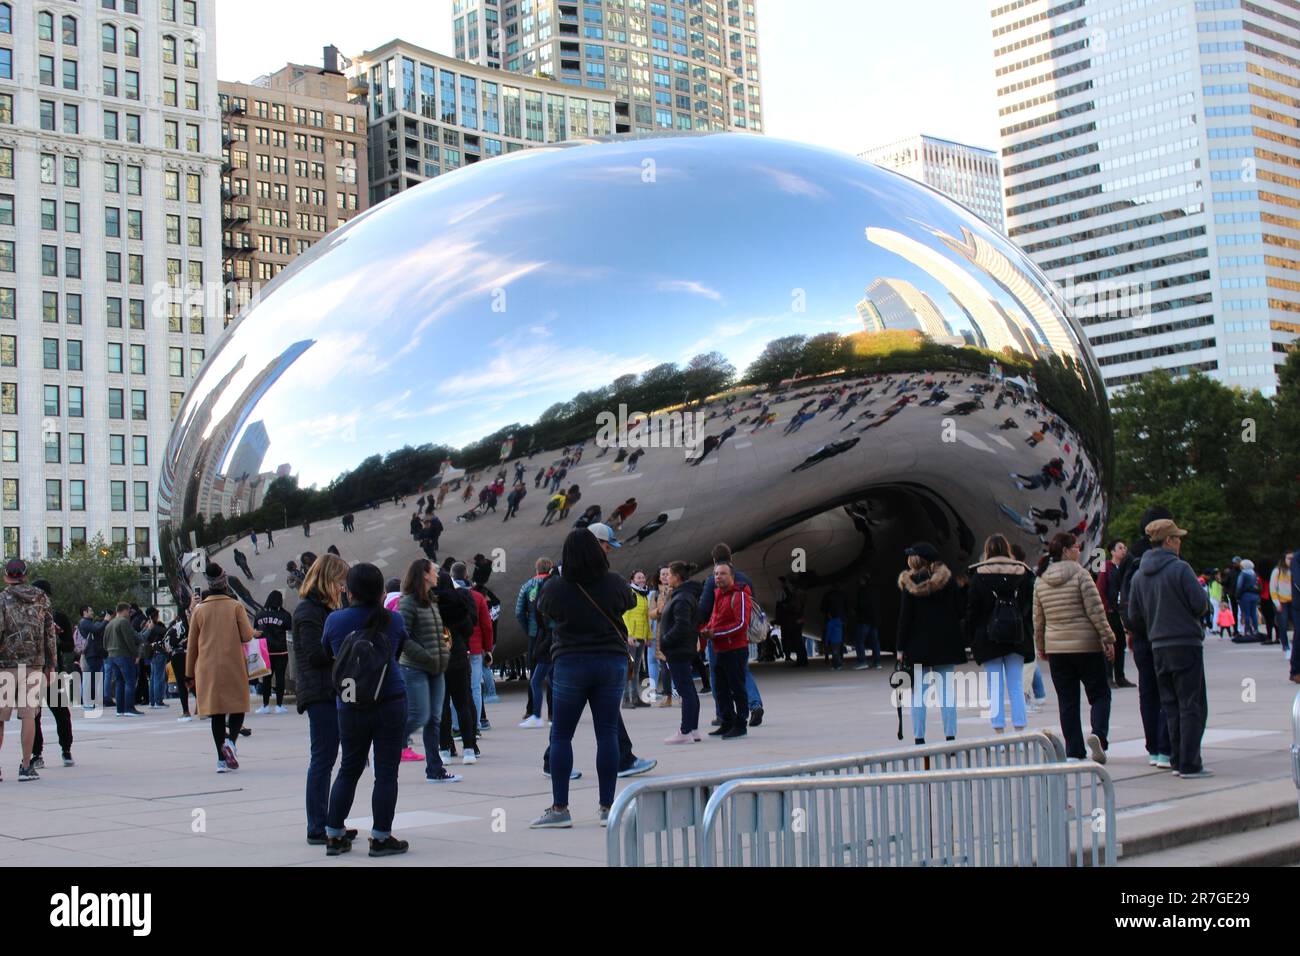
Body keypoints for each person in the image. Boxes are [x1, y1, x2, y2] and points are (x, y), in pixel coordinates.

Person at [530, 529, 635, 828]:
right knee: (607, 733)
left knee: (562, 735)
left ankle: (560, 808)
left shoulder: (556, 587)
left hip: (570, 662)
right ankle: (607, 807)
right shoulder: (614, 582)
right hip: (610, 662)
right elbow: (628, 602)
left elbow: (542, 610)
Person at [321, 563, 410, 857]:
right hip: (389, 700)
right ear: (381, 590)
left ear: (349, 590)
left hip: (349, 701)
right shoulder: (393, 621)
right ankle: (381, 837)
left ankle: (334, 835)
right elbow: (396, 654)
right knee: (386, 772)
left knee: (348, 767)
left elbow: (327, 655)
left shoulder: (334, 621)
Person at [1125, 519, 1213, 778]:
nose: (1180, 541)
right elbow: (1200, 604)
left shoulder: (1140, 574)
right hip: (1185, 643)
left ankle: (1176, 759)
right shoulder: (1180, 569)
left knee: (1171, 705)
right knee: (1192, 704)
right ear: (1169, 541)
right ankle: (1190, 762)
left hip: (1158, 646)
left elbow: (1134, 615)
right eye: (1177, 537)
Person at [1033, 533, 1113, 764]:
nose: (1079, 550)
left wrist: (1041, 646)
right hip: (1086, 645)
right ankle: (1098, 734)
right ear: (1067, 551)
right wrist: (1108, 637)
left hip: (1057, 647)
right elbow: (1096, 611)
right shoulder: (1081, 574)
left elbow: (1038, 619)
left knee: (1067, 701)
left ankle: (1074, 751)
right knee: (1100, 694)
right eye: (1076, 547)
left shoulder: (1041, 579)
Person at [293, 552, 355, 846]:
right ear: (327, 579)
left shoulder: (325, 609)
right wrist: (344, 644)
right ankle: (317, 826)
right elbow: (313, 655)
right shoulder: (308, 611)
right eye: (340, 580)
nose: (343, 587)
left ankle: (331, 822)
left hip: (329, 690)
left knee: (328, 758)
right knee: (322, 759)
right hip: (320, 692)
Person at [1116, 506, 1174, 769]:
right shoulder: (1167, 557)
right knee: (1168, 691)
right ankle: (1166, 746)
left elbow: (1122, 595)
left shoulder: (1130, 557)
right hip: (1163, 632)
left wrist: (1130, 628)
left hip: (1139, 634)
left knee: (1147, 691)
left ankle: (1153, 747)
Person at [397, 558, 461, 783]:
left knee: (434, 719)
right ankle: (386, 745)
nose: (437, 574)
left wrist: (443, 650)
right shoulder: (408, 602)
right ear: (424, 575)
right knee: (419, 715)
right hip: (415, 667)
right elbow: (401, 636)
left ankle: (435, 769)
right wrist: (426, 655)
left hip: (436, 667)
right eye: (434, 571)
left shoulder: (431, 600)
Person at [896, 542, 966, 745]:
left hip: (918, 648)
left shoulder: (909, 585)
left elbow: (905, 619)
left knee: (919, 695)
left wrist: (900, 647)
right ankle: (950, 737)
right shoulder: (948, 581)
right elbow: (960, 611)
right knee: (947, 695)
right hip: (946, 645)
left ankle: (919, 738)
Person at [187, 564, 255, 772]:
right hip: (232, 663)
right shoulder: (235, 606)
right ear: (225, 583)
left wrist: (189, 673)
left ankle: (220, 760)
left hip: (208, 667)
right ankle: (231, 743)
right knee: (238, 706)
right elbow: (247, 635)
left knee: (216, 714)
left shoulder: (199, 610)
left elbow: (192, 645)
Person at [965, 535, 1034, 736]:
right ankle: (1020, 729)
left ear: (987, 551)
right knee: (1016, 684)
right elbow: (1028, 605)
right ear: (1007, 549)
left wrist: (971, 635)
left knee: (994, 686)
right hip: (1016, 634)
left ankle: (998, 731)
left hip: (988, 636)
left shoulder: (978, 575)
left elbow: (972, 609)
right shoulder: (1023, 573)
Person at [0, 560, 58, 780]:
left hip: (5, 665)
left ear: (7, 575)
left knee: (0, 718)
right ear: (25, 575)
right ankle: (26, 765)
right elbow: (49, 633)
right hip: (34, 665)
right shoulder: (41, 597)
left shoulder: (2, 599)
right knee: (28, 717)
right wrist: (50, 664)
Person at [698, 543, 764, 726]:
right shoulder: (745, 579)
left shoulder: (713, 580)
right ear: (731, 558)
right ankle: (755, 704)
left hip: (720, 634)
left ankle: (723, 713)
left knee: (717, 674)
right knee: (742, 671)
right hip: (740, 634)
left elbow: (704, 610)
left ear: (714, 560)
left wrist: (703, 628)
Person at [702, 561, 752, 739]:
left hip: (735, 649)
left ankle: (741, 723)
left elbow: (741, 624)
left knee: (737, 687)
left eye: (722, 573)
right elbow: (714, 619)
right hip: (719, 649)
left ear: (732, 576)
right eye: (716, 574)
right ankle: (727, 721)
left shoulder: (740, 596)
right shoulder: (718, 595)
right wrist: (707, 629)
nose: (718, 577)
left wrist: (716, 633)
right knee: (721, 688)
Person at [659, 561, 702, 743]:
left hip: (678, 650)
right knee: (689, 689)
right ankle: (692, 729)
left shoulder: (682, 597)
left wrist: (665, 640)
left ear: (676, 577)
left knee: (685, 690)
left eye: (668, 574)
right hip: (681, 649)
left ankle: (685, 731)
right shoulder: (682, 595)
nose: (666, 578)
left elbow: (682, 625)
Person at [516, 558, 554, 727]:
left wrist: (528, 629)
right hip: (553, 633)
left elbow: (519, 612)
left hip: (535, 634)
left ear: (536, 569)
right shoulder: (554, 586)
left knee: (535, 674)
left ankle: (533, 711)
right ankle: (553, 713)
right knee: (553, 674)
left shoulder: (527, 585)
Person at [1095, 540, 1135, 688]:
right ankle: (1108, 676)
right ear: (1112, 551)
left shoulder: (1125, 568)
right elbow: (1100, 589)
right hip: (1110, 611)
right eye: (1120, 548)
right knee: (1110, 643)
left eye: (1125, 547)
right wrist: (1106, 608)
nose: (1123, 550)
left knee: (1121, 644)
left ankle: (1120, 676)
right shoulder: (1106, 567)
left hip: (1121, 611)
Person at [253, 591, 292, 714]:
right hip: (281, 651)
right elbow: (289, 629)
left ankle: (265, 706)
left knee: (266, 679)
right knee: (280, 678)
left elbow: (256, 630)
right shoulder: (285, 615)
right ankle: (279, 706)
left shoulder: (259, 614)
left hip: (265, 651)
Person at [104, 602, 143, 717]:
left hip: (111, 656)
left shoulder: (109, 624)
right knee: (129, 682)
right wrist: (135, 654)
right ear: (124, 610)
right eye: (129, 611)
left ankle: (120, 710)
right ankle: (129, 708)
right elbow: (129, 641)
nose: (130, 613)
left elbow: (104, 641)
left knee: (119, 682)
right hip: (123, 655)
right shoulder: (124, 622)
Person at [622, 570, 653, 708]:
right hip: (631, 637)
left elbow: (646, 618)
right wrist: (628, 634)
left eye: (643, 577)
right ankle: (625, 700)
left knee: (635, 669)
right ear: (632, 580)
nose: (641, 579)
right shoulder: (630, 593)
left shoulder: (643, 595)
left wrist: (648, 636)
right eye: (638, 577)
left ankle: (635, 697)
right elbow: (625, 615)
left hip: (641, 636)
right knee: (628, 669)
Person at [76, 605, 107, 709]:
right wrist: (106, 620)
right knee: (91, 678)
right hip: (91, 653)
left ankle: (88, 701)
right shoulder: (85, 622)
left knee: (90, 677)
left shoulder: (85, 622)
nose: (93, 612)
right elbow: (97, 629)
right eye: (91, 611)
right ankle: (88, 701)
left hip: (92, 653)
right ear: (85, 612)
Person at [140, 607, 168, 709]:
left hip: (151, 654)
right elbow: (166, 631)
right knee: (158, 677)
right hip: (159, 652)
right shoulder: (155, 626)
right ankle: (158, 701)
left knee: (153, 678)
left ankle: (152, 701)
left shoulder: (146, 625)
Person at [775, 576, 807, 667]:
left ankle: (802, 661)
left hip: (796, 620)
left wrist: (787, 607)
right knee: (798, 641)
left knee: (798, 642)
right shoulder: (799, 594)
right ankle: (802, 660)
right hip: (796, 620)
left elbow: (794, 606)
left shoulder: (798, 595)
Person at [852, 574, 881, 669]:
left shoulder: (862, 591)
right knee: (875, 642)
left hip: (864, 620)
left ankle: (862, 661)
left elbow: (860, 605)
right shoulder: (875, 591)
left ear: (864, 581)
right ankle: (877, 663)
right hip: (874, 621)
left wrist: (856, 612)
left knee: (859, 641)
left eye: (861, 580)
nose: (859, 581)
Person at [1272, 552, 1295, 665]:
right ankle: (1286, 647)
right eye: (1289, 558)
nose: (1291, 560)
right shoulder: (1277, 571)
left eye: (1292, 558)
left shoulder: (1295, 571)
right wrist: (1277, 603)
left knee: (1296, 624)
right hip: (1282, 601)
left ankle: (1295, 646)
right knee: (1283, 624)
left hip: (1294, 601)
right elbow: (1273, 588)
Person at [820, 583, 847, 670]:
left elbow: (822, 608)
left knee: (829, 640)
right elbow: (847, 606)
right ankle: (840, 659)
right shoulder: (842, 595)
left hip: (830, 619)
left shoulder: (828, 595)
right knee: (839, 641)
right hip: (840, 620)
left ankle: (829, 658)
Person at [1236, 559, 1261, 640]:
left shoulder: (1243, 574)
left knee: (1246, 613)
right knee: (1253, 613)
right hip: (1255, 595)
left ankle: (1247, 630)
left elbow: (1239, 586)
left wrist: (1238, 596)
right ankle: (1256, 630)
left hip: (1245, 595)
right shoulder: (1254, 574)